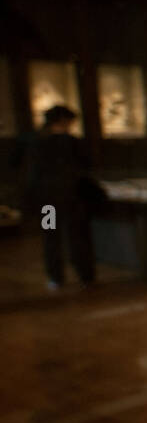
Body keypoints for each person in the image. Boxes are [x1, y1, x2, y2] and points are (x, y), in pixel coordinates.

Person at [25, 105, 97, 291]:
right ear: (65, 121)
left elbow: (33, 174)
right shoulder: (73, 143)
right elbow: (87, 166)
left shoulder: (38, 143)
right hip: (73, 198)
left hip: (48, 200)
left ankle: (56, 277)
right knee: (77, 237)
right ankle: (85, 276)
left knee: (51, 237)